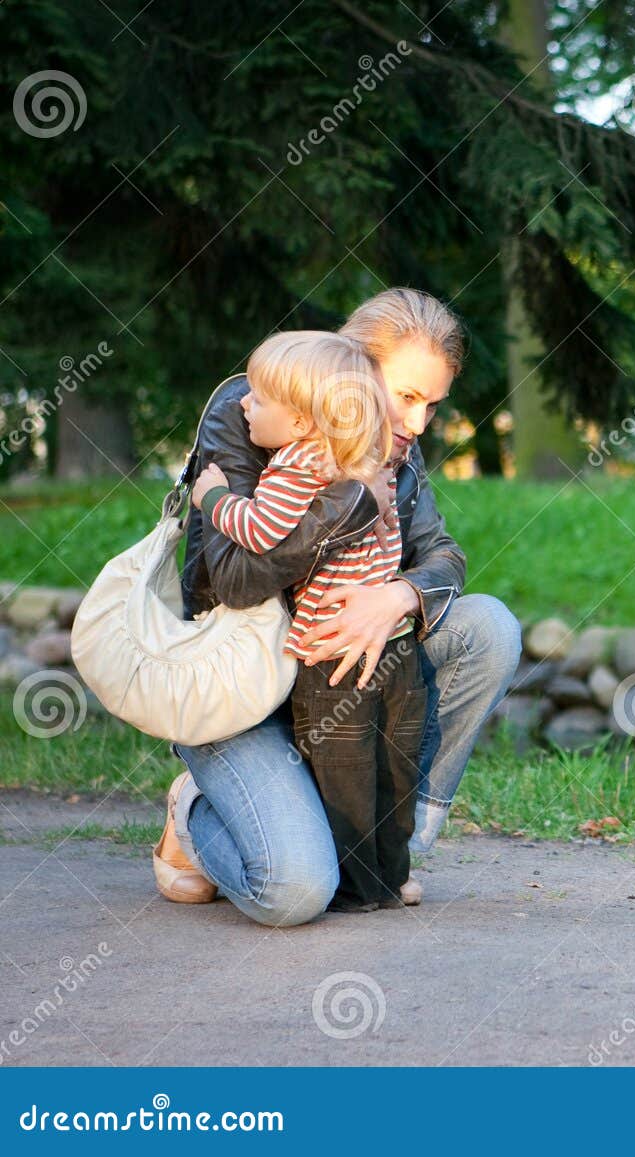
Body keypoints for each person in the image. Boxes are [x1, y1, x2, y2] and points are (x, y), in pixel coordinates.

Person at [151, 289, 522, 926]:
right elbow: (235, 579)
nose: (419, 422)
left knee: (488, 627)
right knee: (296, 894)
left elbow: (443, 556)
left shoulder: (397, 446)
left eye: (433, 404)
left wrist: (397, 597)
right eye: (406, 396)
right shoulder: (250, 408)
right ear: (352, 367)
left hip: (340, 679)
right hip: (244, 693)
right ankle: (196, 812)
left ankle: (392, 851)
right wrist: (345, 506)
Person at [192, 331, 424, 912]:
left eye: (260, 401)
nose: (243, 404)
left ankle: (360, 887)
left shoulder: (295, 465)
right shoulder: (366, 457)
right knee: (388, 768)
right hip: (389, 649)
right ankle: (384, 881)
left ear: (299, 423)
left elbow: (259, 532)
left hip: (328, 650)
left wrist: (213, 499)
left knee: (345, 770)